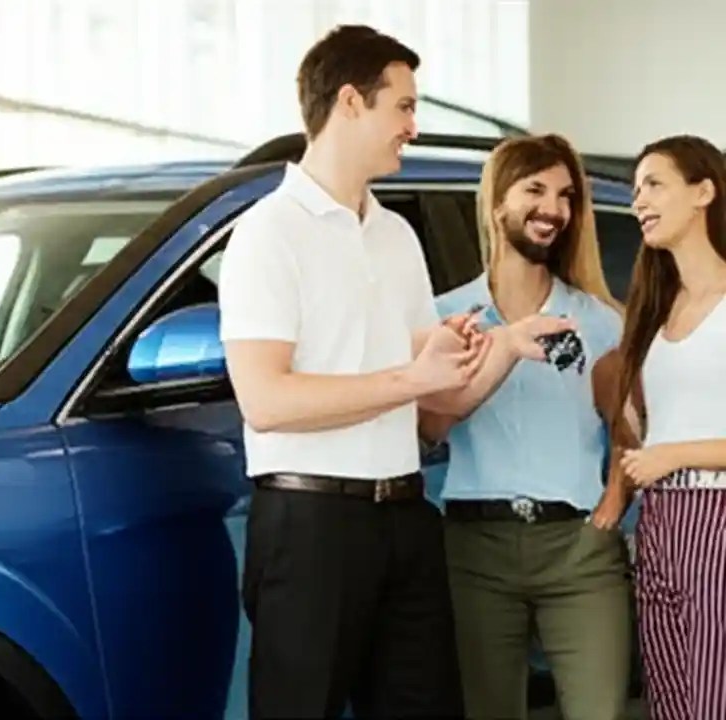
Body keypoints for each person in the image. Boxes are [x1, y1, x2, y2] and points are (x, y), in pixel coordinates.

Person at [218, 24, 535, 719]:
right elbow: (266, 400)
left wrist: (494, 349)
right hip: (310, 527)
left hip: (407, 517)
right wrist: (413, 378)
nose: (413, 127)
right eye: (404, 106)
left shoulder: (395, 235)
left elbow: (432, 409)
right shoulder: (267, 233)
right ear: (350, 102)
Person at [420, 134, 633, 720]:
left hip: (578, 549)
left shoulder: (599, 321)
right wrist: (501, 349)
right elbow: (430, 427)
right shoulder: (446, 317)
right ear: (497, 204)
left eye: (565, 196)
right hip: (475, 547)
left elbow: (629, 429)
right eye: (535, 190)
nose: (553, 208)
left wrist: (611, 506)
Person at [602, 134, 726, 720]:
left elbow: (668, 444)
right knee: (670, 700)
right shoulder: (655, 306)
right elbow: (638, 422)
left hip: (716, 515)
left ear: (704, 192)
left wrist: (673, 455)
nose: (639, 202)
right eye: (635, 191)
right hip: (659, 521)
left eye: (654, 184)